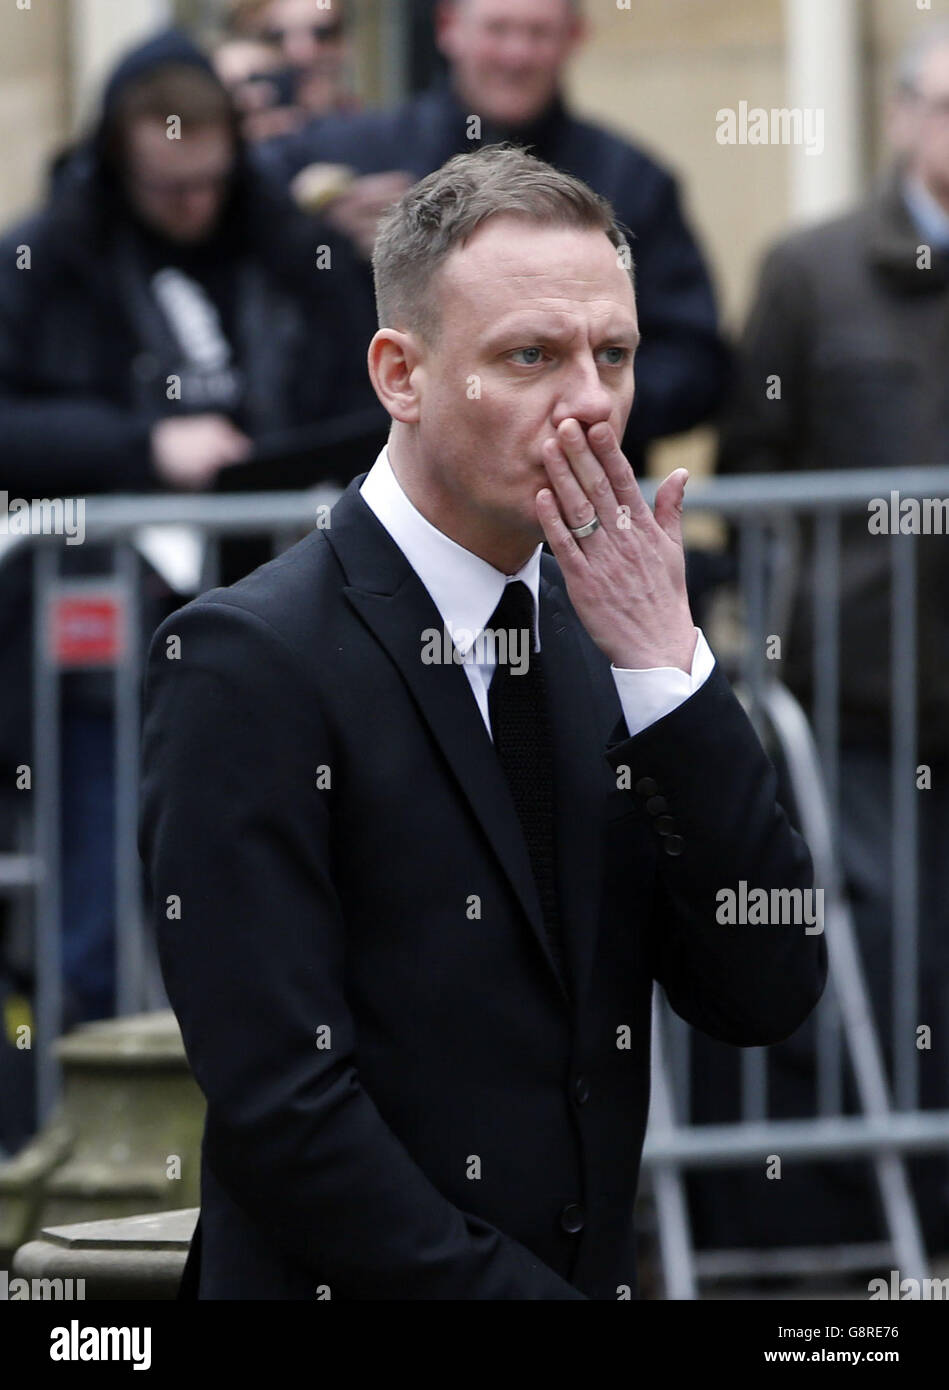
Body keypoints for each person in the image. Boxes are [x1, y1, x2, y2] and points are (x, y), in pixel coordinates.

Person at [140, 146, 826, 1300]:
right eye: (530, 356)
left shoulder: (609, 636)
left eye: (613, 354)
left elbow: (763, 986)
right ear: (400, 375)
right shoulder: (248, 661)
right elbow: (286, 1107)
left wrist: (670, 676)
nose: (591, 402)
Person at [0, 28, 375, 1034]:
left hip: (284, 614)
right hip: (97, 639)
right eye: (170, 189)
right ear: (121, 162)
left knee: (287, 890)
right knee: (102, 909)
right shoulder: (47, 259)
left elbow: (369, 389)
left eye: (209, 182)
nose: (194, 207)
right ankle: (95, 1150)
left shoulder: (294, 253)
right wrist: (143, 445)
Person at [716, 27, 949, 1255]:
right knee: (894, 967)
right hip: (868, 689)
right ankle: (892, 1222)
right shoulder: (811, 271)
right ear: (906, 115)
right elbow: (757, 459)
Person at [262, 0, 730, 474]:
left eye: (537, 33)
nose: (516, 55)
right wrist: (317, 220)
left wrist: (571, 404)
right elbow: (228, 209)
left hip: (577, 500)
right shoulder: (358, 150)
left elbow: (694, 366)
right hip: (375, 481)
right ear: (448, 29)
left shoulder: (634, 180)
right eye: (498, 29)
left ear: (574, 37)